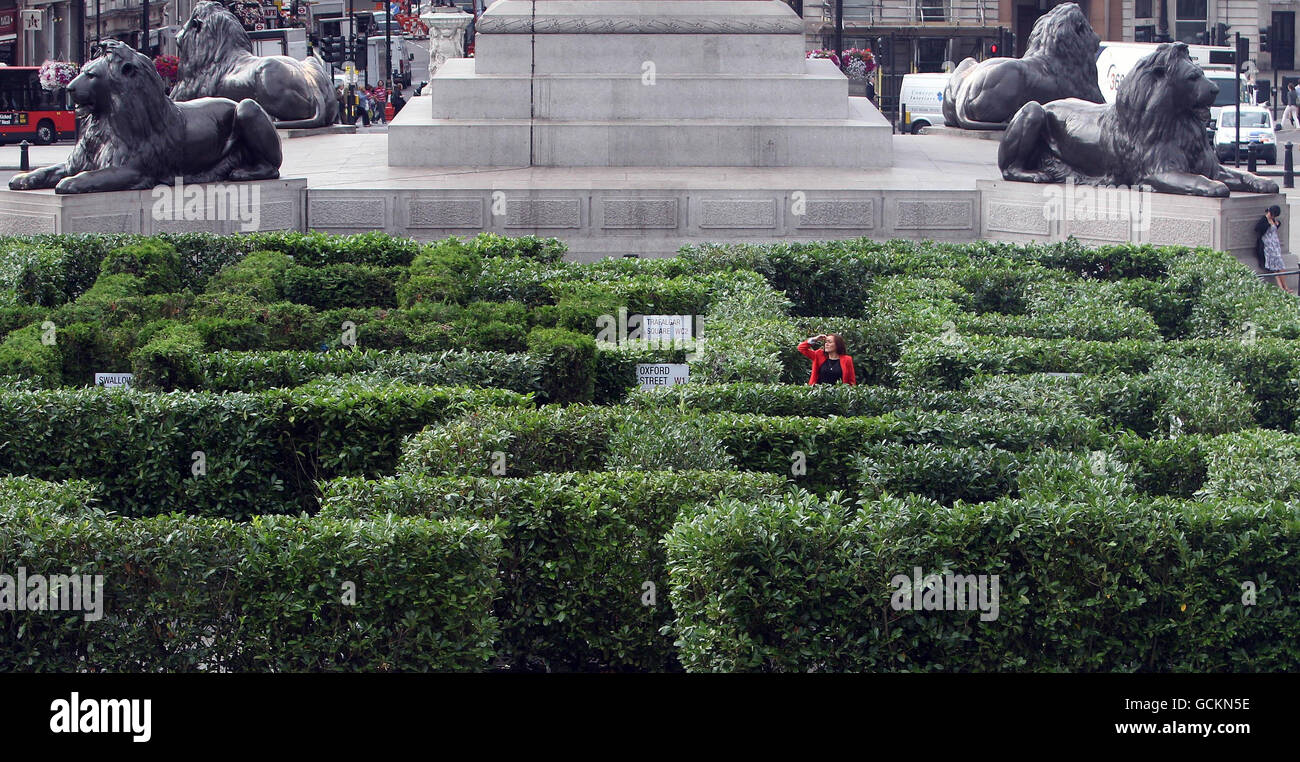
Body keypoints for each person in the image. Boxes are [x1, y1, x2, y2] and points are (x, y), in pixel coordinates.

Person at [1256, 204, 1292, 293]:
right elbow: (1258, 229)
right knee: (1275, 267)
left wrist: (1277, 224)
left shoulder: (1273, 220)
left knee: (1280, 266)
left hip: (1275, 245)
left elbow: (1275, 228)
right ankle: (1282, 288)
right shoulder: (1264, 220)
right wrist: (1269, 224)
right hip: (1268, 246)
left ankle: (1284, 286)